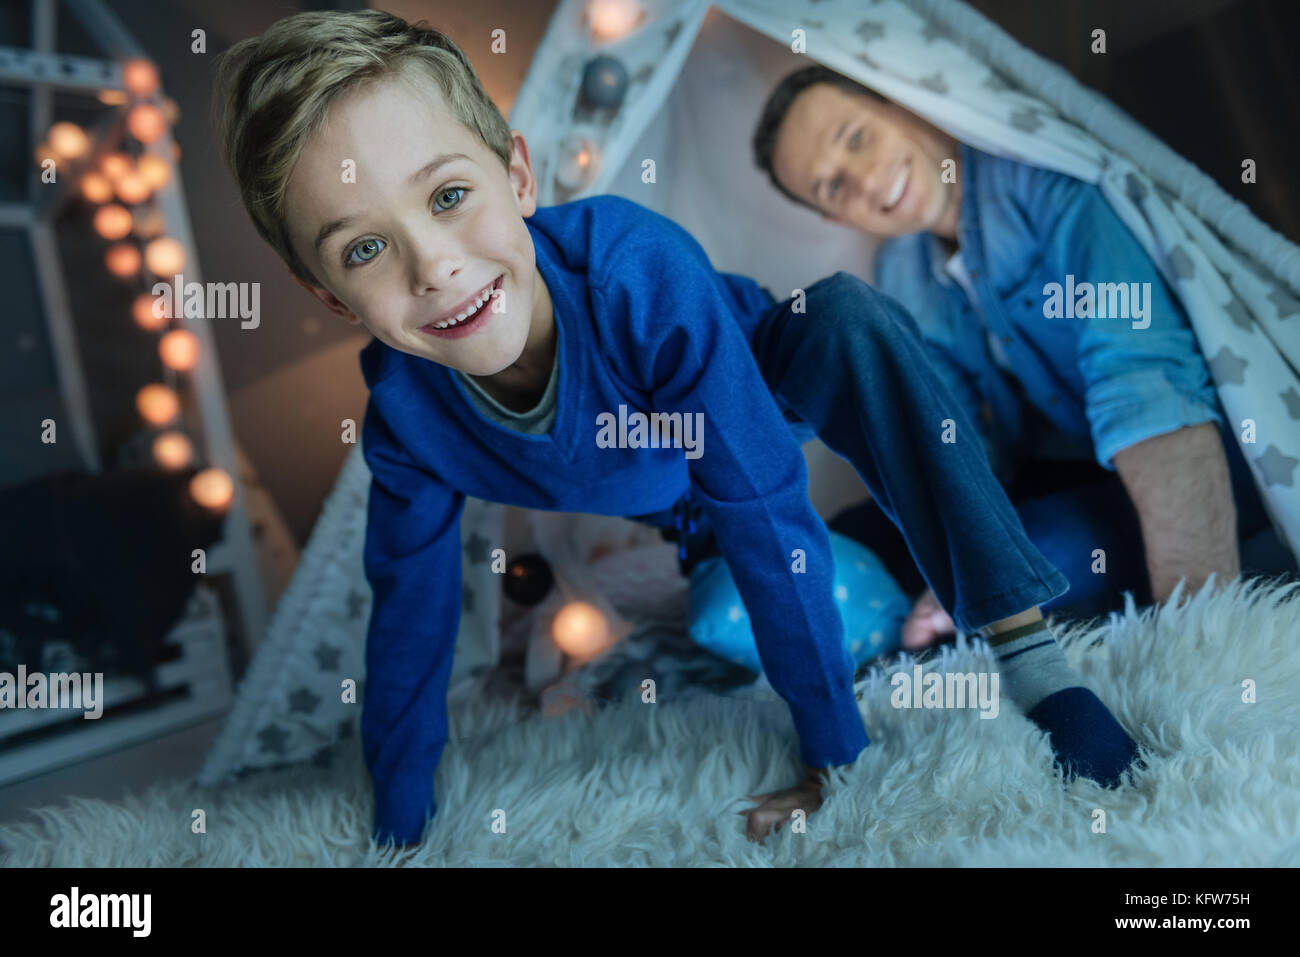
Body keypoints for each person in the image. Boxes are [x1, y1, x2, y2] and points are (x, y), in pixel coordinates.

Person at [213, 12, 1140, 849]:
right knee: (705, 620)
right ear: (330, 296)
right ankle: (893, 618)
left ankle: (1037, 664)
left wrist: (834, 759)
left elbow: (764, 502)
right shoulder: (406, 415)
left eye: (449, 196)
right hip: (668, 494)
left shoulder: (633, 272)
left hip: (753, 390)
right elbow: (409, 615)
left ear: (519, 175)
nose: (437, 266)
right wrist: (396, 828)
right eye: (366, 248)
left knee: (851, 321)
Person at [752, 64, 1294, 648]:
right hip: (1076, 461)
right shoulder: (901, 272)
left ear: (903, 101)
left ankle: (943, 611)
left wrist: (1202, 642)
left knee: (1028, 559)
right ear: (834, 217)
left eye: (857, 138)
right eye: (832, 187)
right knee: (875, 526)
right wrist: (958, 551)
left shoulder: (1042, 176)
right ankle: (804, 599)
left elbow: (1145, 384)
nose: (863, 181)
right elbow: (952, 439)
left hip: (1224, 450)